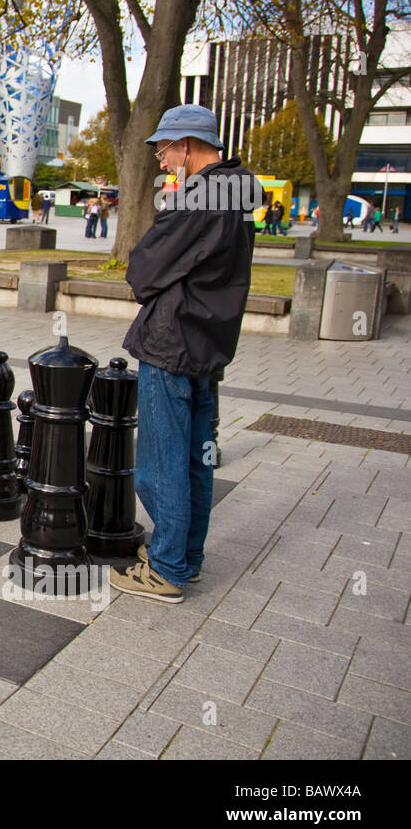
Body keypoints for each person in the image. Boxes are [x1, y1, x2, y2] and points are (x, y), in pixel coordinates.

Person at [110, 104, 262, 605]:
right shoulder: (240, 191)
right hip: (208, 342)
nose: (160, 158)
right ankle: (188, 559)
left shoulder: (199, 195)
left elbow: (143, 271)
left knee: (161, 461)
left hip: (172, 342)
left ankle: (168, 567)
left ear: (189, 145)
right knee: (197, 456)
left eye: (164, 148)